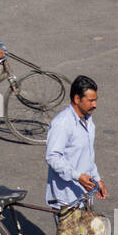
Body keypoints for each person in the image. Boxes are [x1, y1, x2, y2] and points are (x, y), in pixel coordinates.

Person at [45, 76, 106, 208]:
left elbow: (87, 156)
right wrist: (77, 176)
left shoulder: (88, 121)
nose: (94, 105)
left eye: (95, 100)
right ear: (77, 99)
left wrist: (97, 179)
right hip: (67, 199)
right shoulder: (62, 123)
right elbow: (53, 157)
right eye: (90, 101)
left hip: (84, 195)